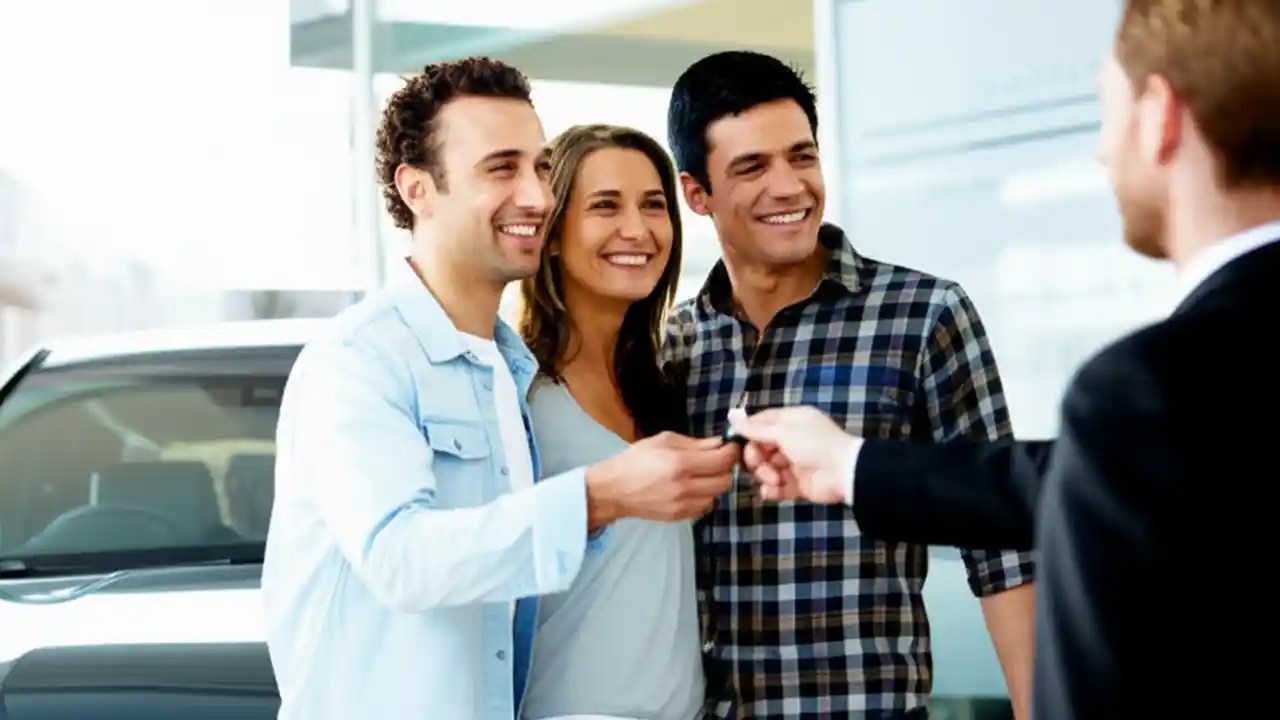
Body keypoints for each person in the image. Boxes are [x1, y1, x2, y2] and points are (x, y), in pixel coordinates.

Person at [730, 2, 1280, 717]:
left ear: (1159, 119)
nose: (1101, 151)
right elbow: (1116, 468)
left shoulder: (1145, 388)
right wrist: (849, 465)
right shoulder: (1170, 410)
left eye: (1106, 114)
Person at [260, 58, 739, 720]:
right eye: (501, 168)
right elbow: (401, 559)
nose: (538, 196)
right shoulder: (358, 360)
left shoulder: (503, 375)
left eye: (541, 167)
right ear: (418, 188)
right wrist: (602, 496)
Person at [661, 50, 1037, 719]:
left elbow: (1002, 548)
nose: (789, 186)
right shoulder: (676, 347)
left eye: (801, 157)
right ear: (697, 193)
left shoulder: (925, 315)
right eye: (752, 167)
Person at [515, 123, 701, 719]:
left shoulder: (664, 383)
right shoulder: (518, 391)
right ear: (550, 234)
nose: (637, 230)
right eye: (605, 206)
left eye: (653, 205)